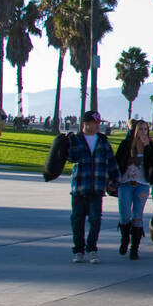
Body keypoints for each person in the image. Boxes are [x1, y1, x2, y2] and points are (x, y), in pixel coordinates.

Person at [65, 110, 120, 263]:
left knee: (95, 220)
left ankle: (92, 249)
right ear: (85, 123)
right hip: (79, 187)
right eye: (94, 123)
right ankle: (78, 250)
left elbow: (111, 162)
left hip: (97, 187)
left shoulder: (102, 141)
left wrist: (115, 181)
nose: (97, 126)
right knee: (77, 220)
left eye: (98, 123)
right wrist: (66, 143)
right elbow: (70, 157)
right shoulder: (76, 140)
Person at [114, 119, 153, 260]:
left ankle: (134, 248)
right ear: (135, 130)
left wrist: (148, 147)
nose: (144, 132)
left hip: (142, 185)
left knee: (137, 216)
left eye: (146, 129)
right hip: (125, 183)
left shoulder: (151, 146)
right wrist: (113, 179)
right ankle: (125, 238)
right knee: (124, 214)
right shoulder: (126, 144)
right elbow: (117, 161)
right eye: (141, 129)